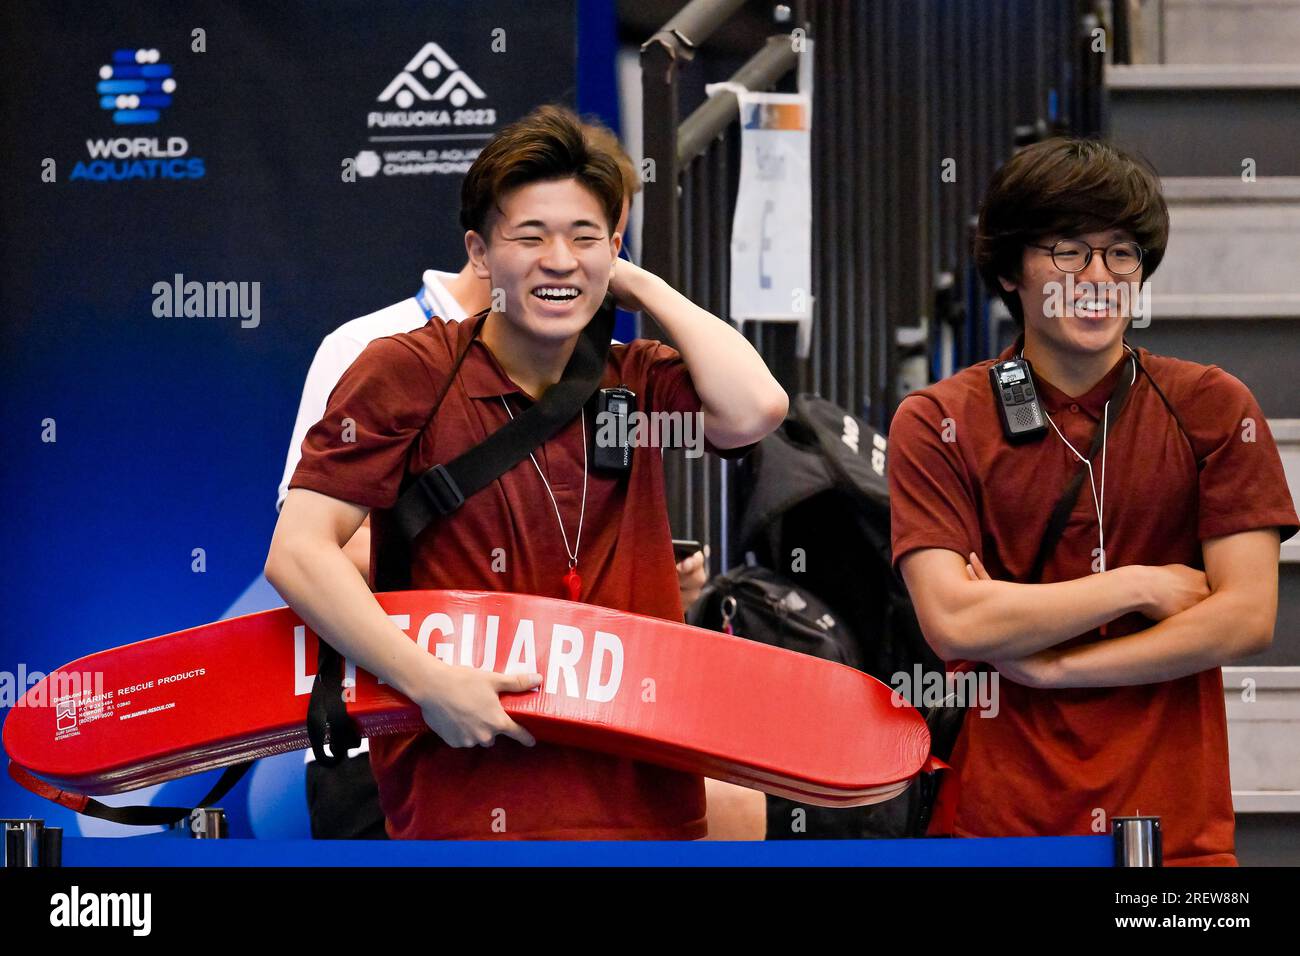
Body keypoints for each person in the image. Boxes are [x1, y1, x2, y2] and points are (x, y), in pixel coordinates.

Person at [265, 104, 788, 840]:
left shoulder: (634, 377)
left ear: (614, 248)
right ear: (479, 252)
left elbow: (758, 408)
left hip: (640, 782)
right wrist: (428, 682)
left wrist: (640, 287)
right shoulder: (406, 369)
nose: (558, 260)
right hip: (470, 772)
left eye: (584, 238)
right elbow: (299, 552)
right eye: (530, 237)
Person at [888, 137, 1298, 865]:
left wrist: (1049, 663)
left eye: (1120, 254)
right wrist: (1138, 585)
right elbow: (953, 619)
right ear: (1012, 271)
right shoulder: (939, 421)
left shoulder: (1210, 406)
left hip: (1175, 834)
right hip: (994, 827)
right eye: (1067, 252)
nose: (1097, 278)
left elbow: (1245, 615)